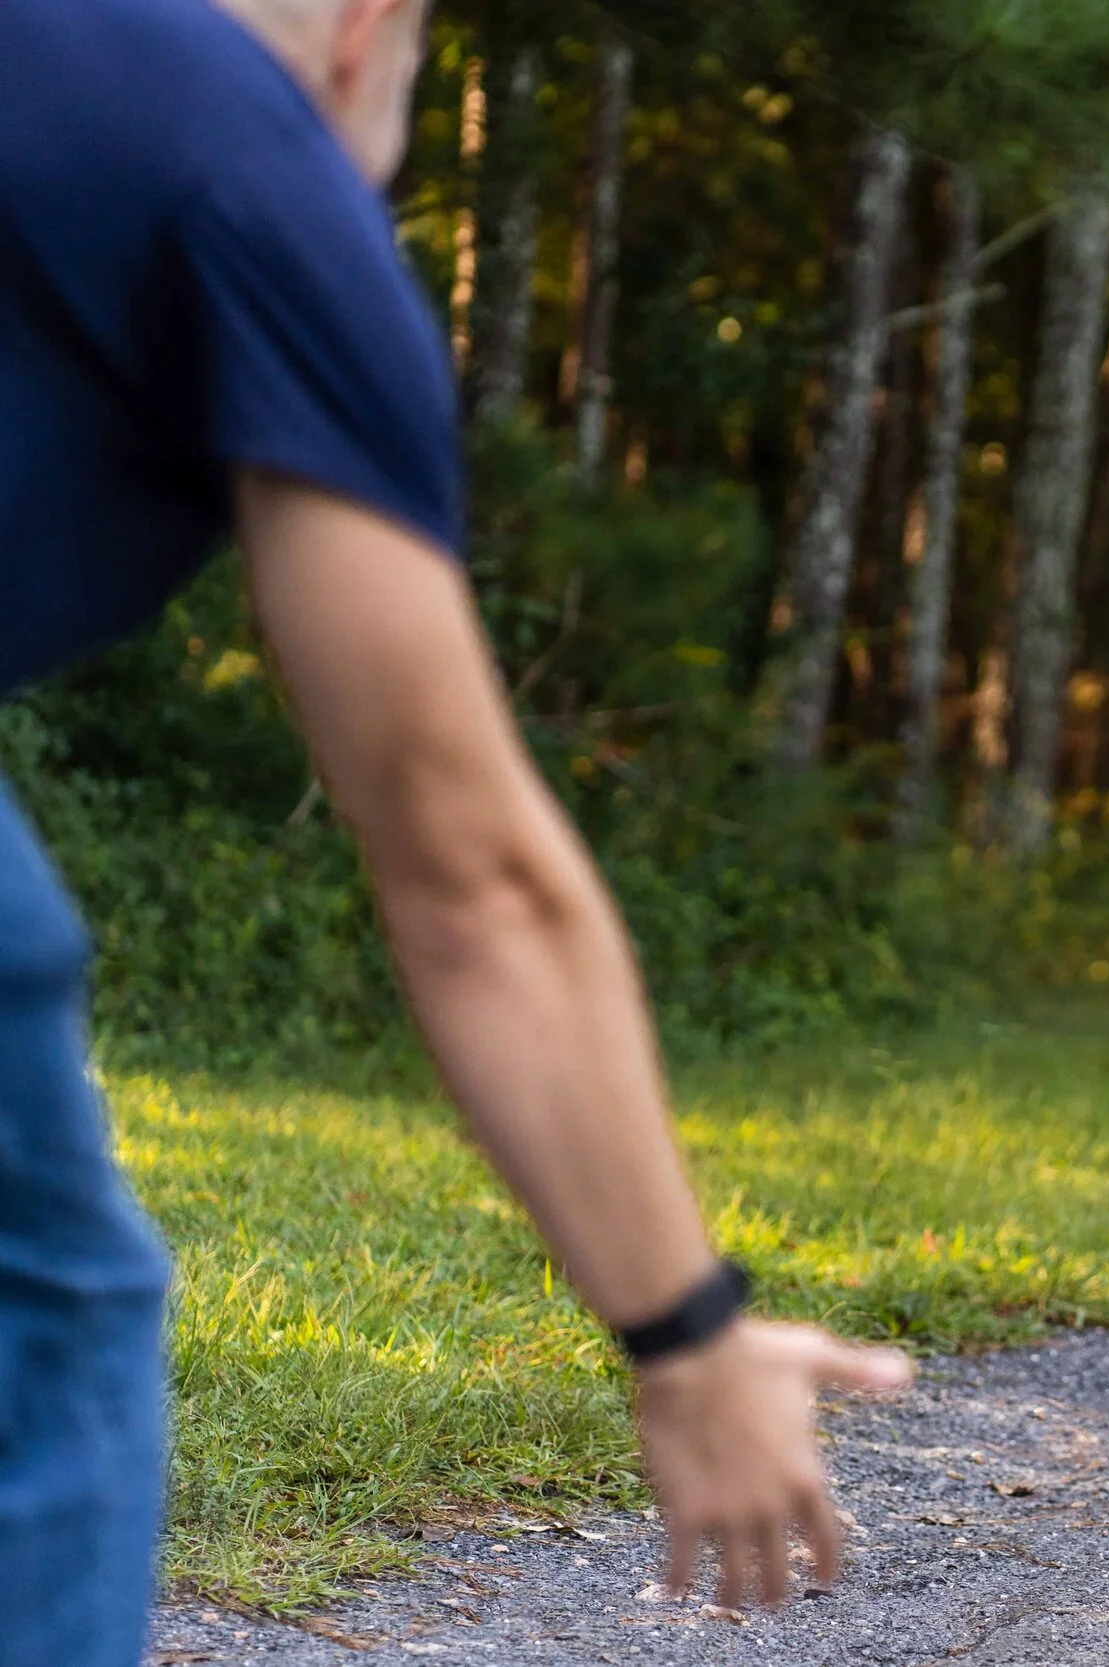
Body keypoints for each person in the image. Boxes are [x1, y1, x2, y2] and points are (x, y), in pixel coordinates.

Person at [0, 1, 911, 1660]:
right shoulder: (259, 185)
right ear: (373, 32)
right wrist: (689, 1335)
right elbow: (465, 863)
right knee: (46, 1313)